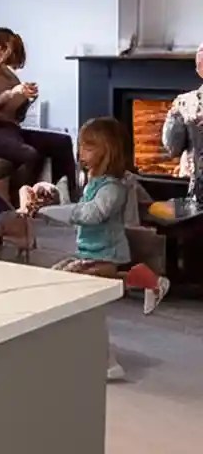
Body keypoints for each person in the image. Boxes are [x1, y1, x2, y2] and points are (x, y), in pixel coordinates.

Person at [20, 117, 170, 380]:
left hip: (106, 252)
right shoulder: (94, 182)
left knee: (86, 297)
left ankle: (107, 361)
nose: (81, 153)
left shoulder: (113, 188)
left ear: (108, 151)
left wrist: (54, 211)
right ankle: (149, 281)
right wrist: (51, 199)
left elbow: (91, 214)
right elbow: (80, 207)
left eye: (89, 147)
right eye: (81, 146)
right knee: (66, 280)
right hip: (90, 251)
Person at [0, 27, 78, 200]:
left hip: (11, 129)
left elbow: (18, 117)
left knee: (62, 142)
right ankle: (20, 203)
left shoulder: (11, 77)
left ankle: (65, 198)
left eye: (3, 51)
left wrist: (27, 100)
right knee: (29, 155)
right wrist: (6, 96)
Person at [163, 42, 203, 202]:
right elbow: (172, 147)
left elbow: (172, 148)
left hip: (195, 188)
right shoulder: (184, 103)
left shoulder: (185, 103)